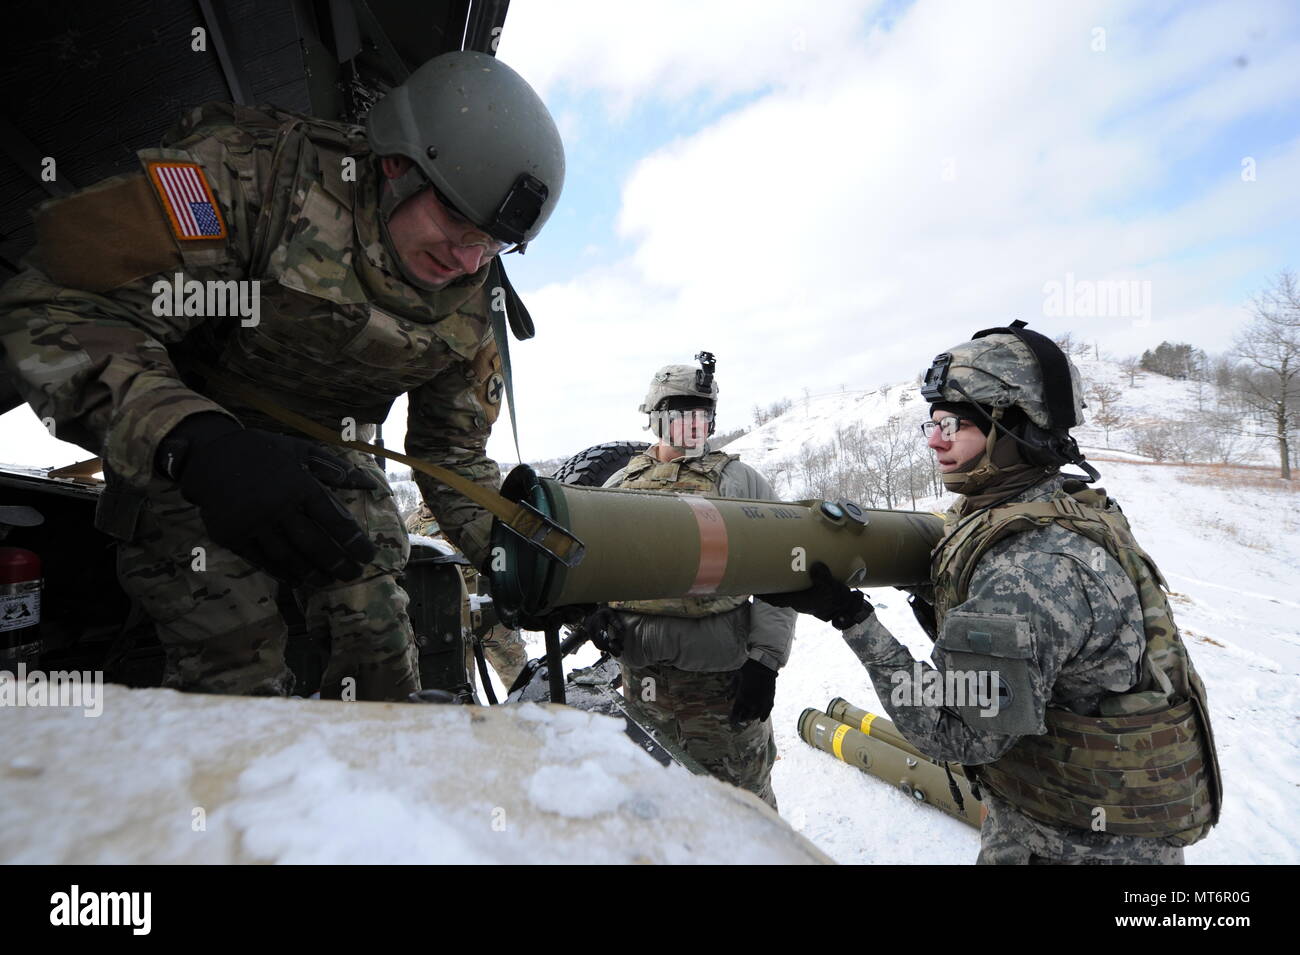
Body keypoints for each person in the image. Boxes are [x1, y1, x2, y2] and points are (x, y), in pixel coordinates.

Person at [0, 51, 564, 701]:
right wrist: (196, 442)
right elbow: (57, 305)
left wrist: (524, 558)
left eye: (492, 242)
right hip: (189, 451)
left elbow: (451, 455)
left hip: (330, 464)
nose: (467, 259)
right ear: (397, 165)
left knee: (381, 655)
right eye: (457, 219)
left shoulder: (470, 300)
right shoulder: (250, 174)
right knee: (234, 671)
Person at [763, 322, 1220, 862]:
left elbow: (955, 732)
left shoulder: (1032, 566)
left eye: (953, 424)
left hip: (1072, 844)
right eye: (932, 423)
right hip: (1078, 819)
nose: (935, 440)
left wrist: (852, 618)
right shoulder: (1061, 505)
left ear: (1013, 428)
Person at [582, 354, 796, 811]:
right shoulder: (620, 483)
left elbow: (783, 571)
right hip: (642, 681)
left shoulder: (739, 481)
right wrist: (593, 609)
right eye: (683, 415)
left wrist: (765, 662)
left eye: (703, 415)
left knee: (744, 806)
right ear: (656, 417)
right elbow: (597, 560)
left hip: (722, 686)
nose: (695, 426)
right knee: (661, 798)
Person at [405, 502, 528, 692]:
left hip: (486, 595)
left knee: (513, 666)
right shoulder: (413, 523)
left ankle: (529, 704)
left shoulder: (475, 510)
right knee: (460, 674)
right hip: (447, 605)